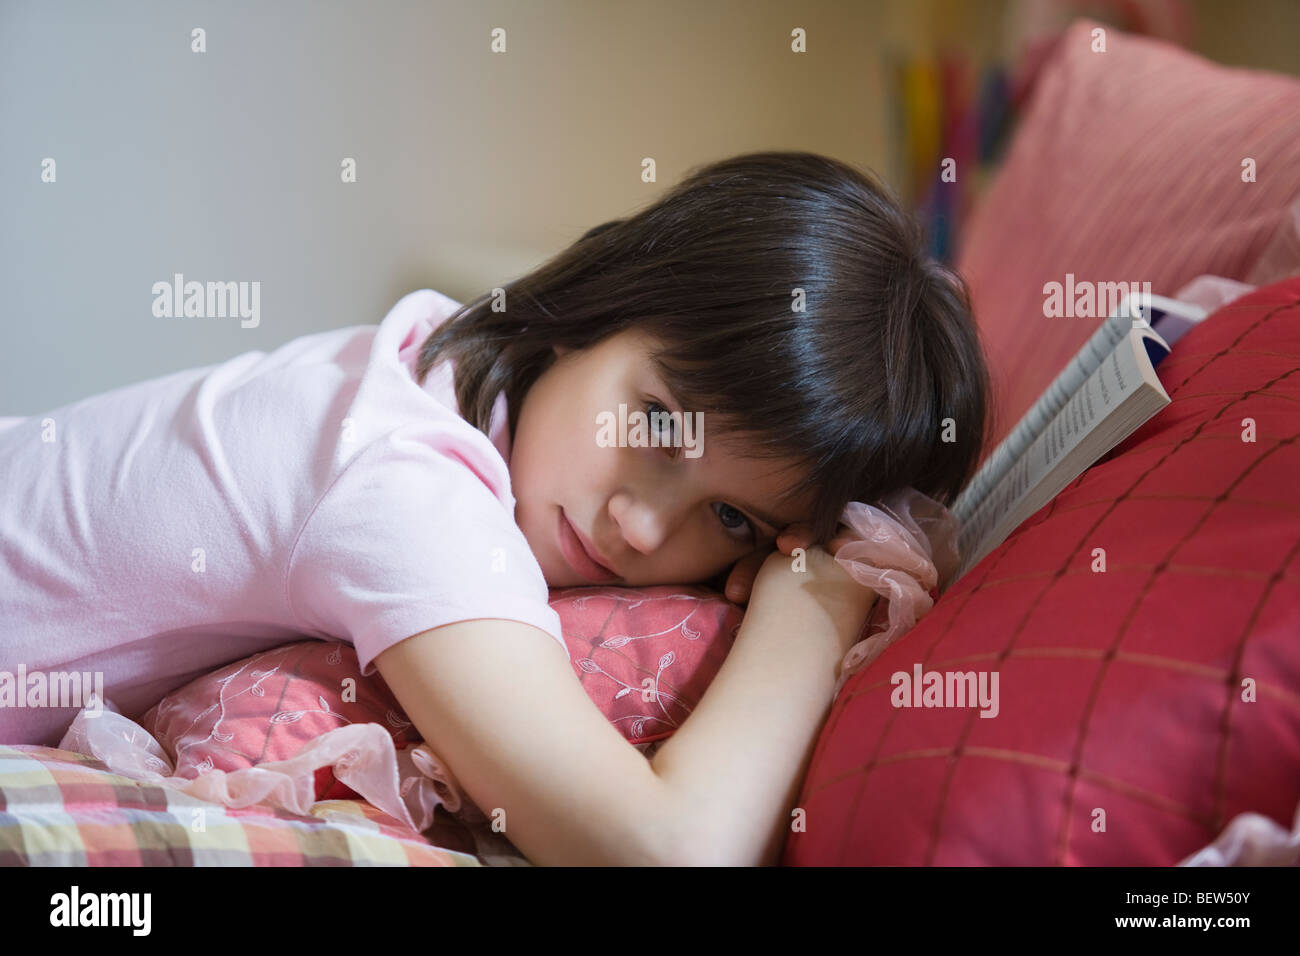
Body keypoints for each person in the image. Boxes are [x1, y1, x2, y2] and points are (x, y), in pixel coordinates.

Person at [0, 151, 992, 865]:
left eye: (730, 517)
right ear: (602, 306)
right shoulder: (408, 486)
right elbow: (663, 849)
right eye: (656, 421)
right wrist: (812, 595)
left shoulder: (443, 362)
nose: (642, 528)